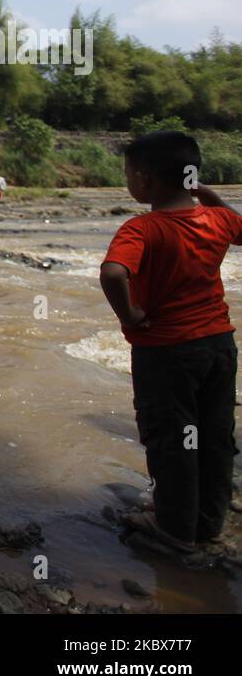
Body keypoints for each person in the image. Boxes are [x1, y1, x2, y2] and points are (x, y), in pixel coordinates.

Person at [99, 131, 242, 553]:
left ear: (144, 180)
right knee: (214, 434)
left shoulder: (142, 227)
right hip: (218, 343)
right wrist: (209, 194)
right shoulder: (216, 219)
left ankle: (175, 528)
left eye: (128, 174)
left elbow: (112, 274)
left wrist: (129, 315)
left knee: (172, 436)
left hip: (165, 351)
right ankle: (209, 522)